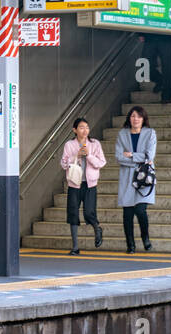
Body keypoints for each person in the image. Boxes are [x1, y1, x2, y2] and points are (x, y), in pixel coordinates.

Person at [116, 105, 158, 253]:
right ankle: (130, 245)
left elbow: (149, 156)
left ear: (143, 119)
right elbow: (119, 158)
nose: (135, 119)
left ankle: (145, 237)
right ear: (129, 118)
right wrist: (140, 157)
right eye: (133, 116)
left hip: (143, 177)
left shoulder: (150, 133)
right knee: (127, 214)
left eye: (139, 116)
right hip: (127, 177)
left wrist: (132, 155)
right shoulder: (122, 134)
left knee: (140, 210)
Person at [60, 118, 105, 254]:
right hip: (74, 184)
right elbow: (63, 164)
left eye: (86, 127)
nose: (85, 130)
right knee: (73, 213)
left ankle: (97, 229)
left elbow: (101, 162)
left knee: (89, 212)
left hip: (90, 184)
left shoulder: (94, 144)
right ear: (74, 130)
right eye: (81, 127)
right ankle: (75, 247)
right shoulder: (69, 145)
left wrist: (89, 155)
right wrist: (76, 155)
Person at [142, 34, 171, 104]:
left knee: (167, 67)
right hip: (150, 36)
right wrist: (140, 33)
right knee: (144, 64)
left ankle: (166, 96)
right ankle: (160, 80)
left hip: (167, 37)